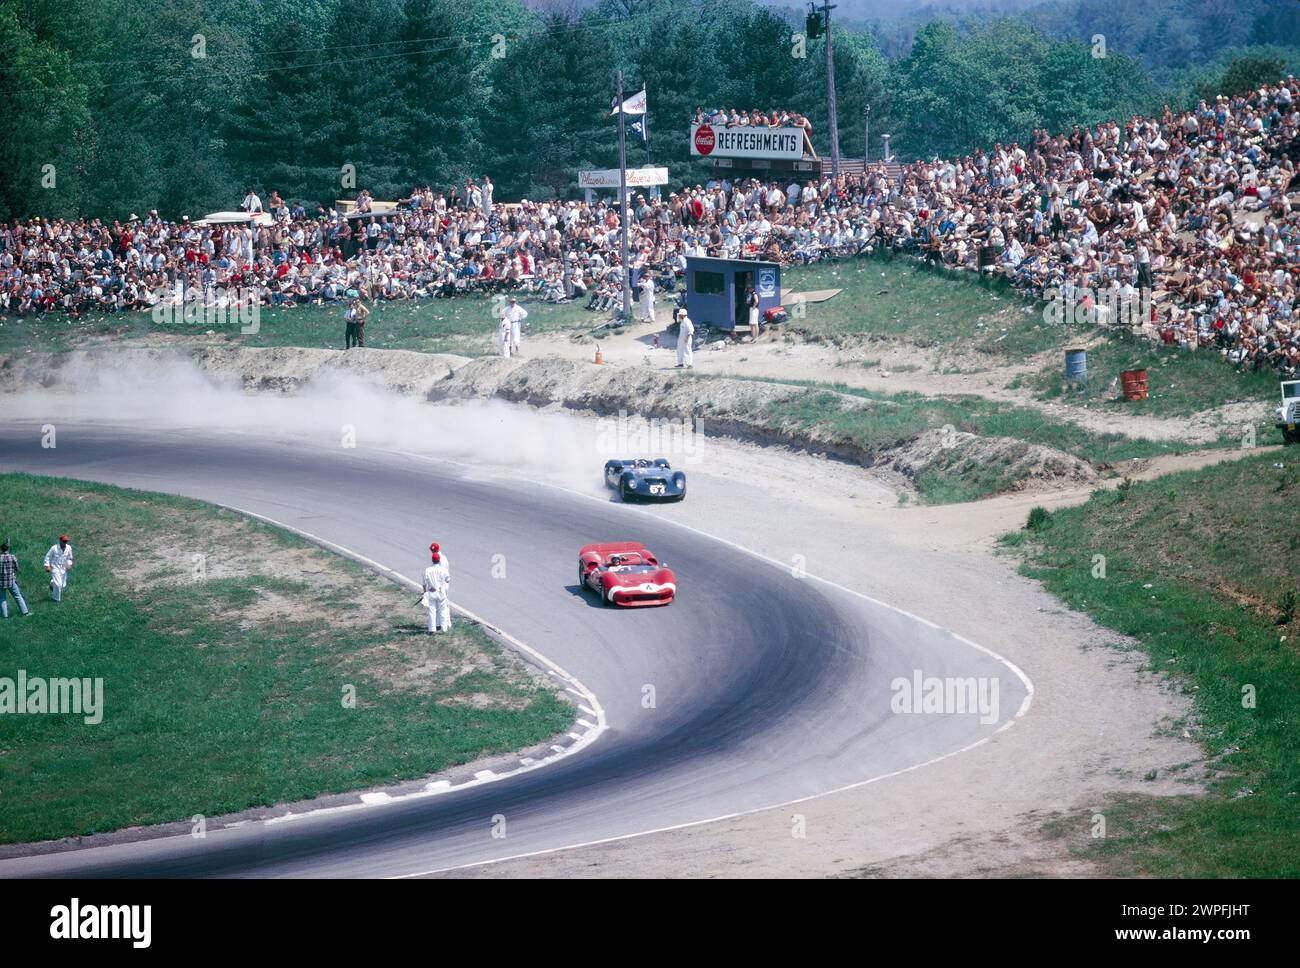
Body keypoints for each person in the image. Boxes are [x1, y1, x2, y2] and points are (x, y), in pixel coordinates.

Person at [421, 543, 452, 634]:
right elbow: (447, 579)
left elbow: (424, 582)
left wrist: (425, 592)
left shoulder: (428, 569)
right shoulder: (443, 567)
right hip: (441, 590)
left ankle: (433, 628)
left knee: (432, 610)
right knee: (442, 609)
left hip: (432, 591)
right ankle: (444, 627)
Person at [0, 541, 30, 619]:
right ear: (8, 549)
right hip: (11, 581)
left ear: (1, 549)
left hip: (1, 582)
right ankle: (25, 613)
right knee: (17, 596)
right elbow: (16, 568)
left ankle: (5, 616)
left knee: (2, 598)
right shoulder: (12, 557)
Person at [44, 534, 73, 603]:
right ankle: (56, 600)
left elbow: (70, 558)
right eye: (64, 541)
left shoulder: (69, 548)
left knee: (62, 585)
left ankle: (52, 584)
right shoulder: (54, 548)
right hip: (55, 568)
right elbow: (47, 557)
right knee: (58, 585)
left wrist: (69, 564)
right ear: (60, 541)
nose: (65, 543)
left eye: (66, 541)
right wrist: (47, 566)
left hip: (63, 568)